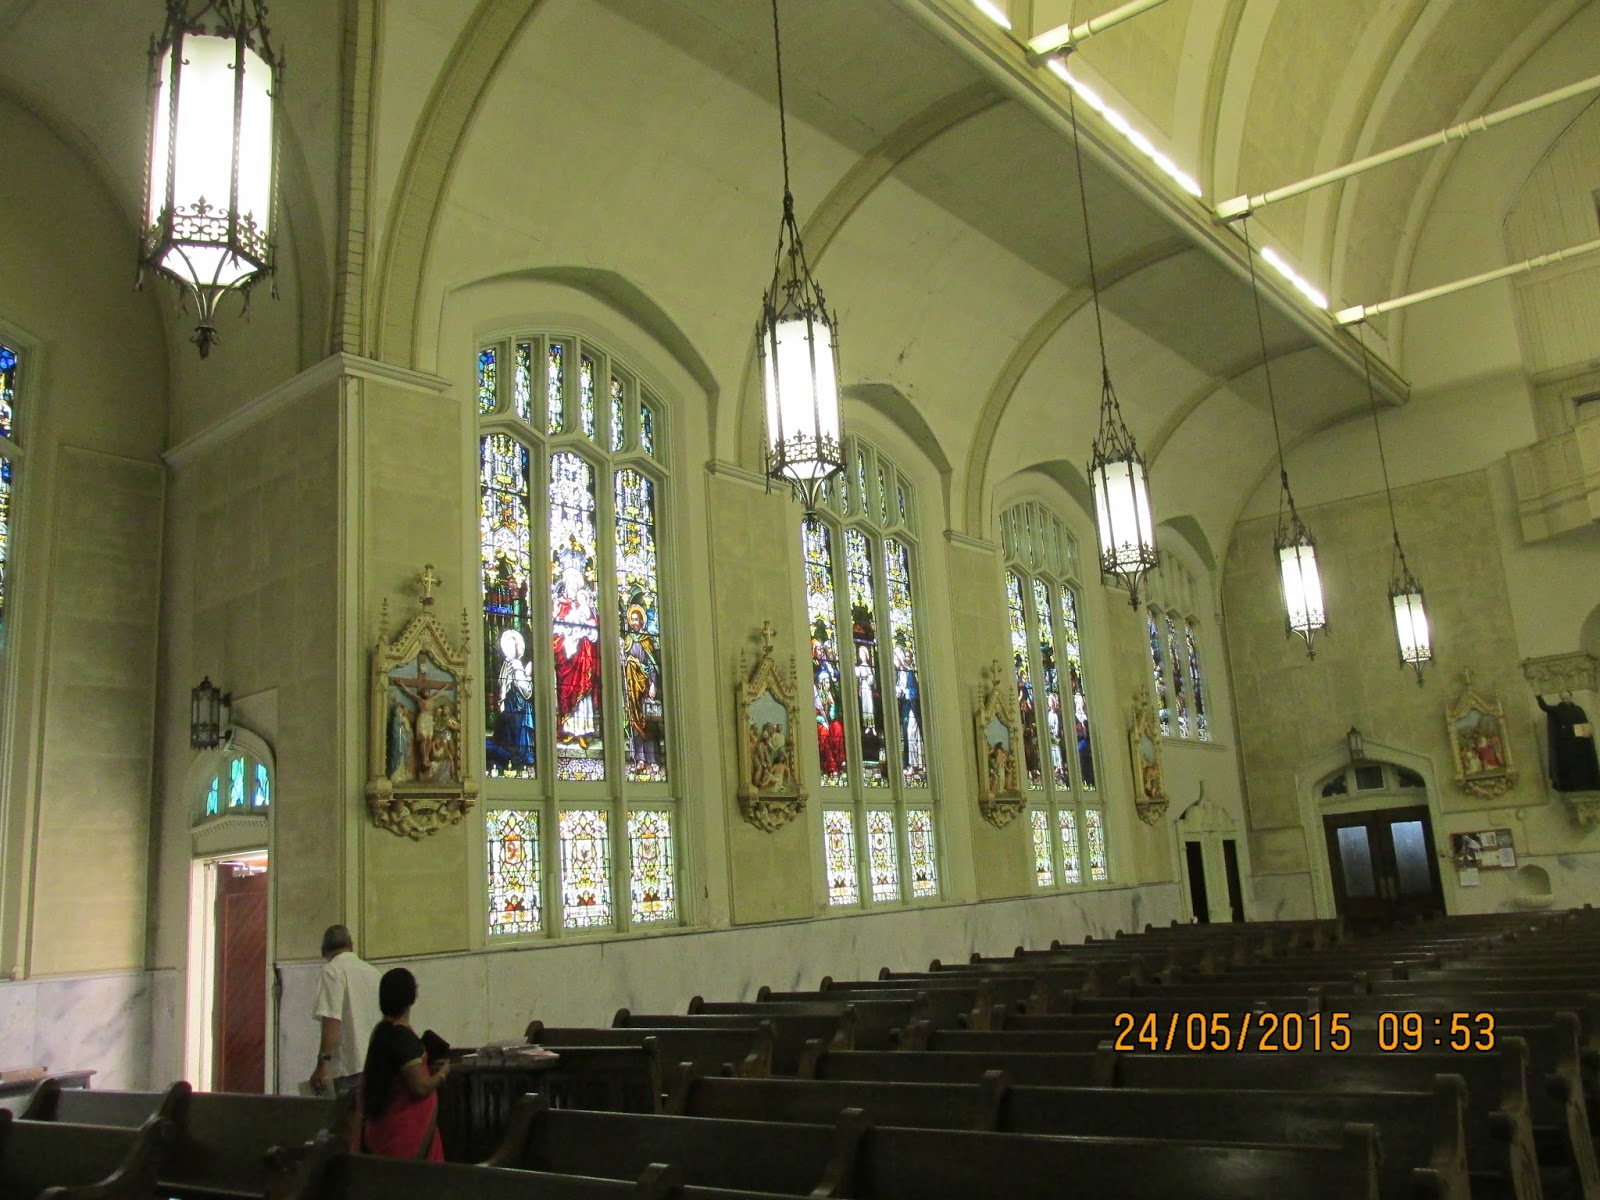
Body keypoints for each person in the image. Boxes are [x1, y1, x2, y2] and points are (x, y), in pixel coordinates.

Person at [360, 967, 450, 1160]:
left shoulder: (380, 1030)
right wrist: (442, 1074)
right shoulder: (402, 1036)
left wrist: (428, 1069)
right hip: (404, 1132)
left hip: (380, 1128)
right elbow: (419, 1087)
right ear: (412, 996)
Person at [310, 924, 382, 1097]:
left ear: (323, 951)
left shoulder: (331, 971)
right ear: (352, 945)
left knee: (347, 1120)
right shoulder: (374, 973)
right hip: (375, 1065)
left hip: (348, 1067)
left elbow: (332, 1020)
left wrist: (323, 1064)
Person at [1538, 691, 1600, 792]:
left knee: (1581, 766)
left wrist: (1586, 735)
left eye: (1567, 698)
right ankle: (1570, 786)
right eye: (1563, 699)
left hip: (1579, 744)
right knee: (1567, 767)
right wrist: (1538, 697)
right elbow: (1545, 707)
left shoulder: (1578, 710)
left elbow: (1585, 725)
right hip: (1565, 745)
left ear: (1571, 697)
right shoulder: (1557, 710)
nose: (1566, 701)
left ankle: (1584, 784)